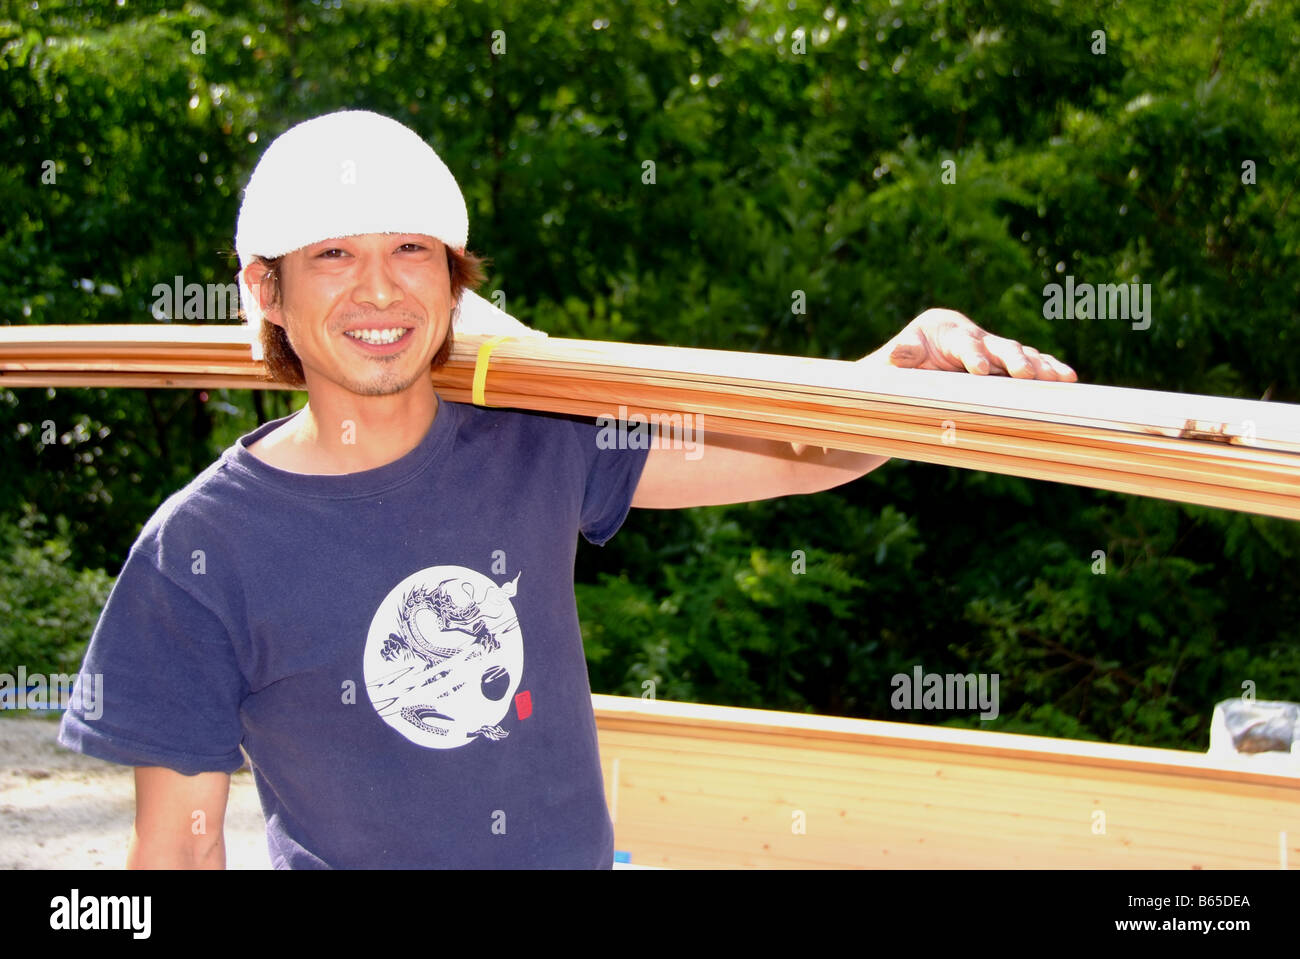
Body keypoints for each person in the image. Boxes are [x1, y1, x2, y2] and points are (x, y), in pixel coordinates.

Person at [57, 110, 1076, 869]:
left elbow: (803, 452)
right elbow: (179, 855)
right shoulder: (198, 549)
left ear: (455, 280)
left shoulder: (536, 440)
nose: (379, 289)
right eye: (333, 255)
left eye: (411, 248)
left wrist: (894, 376)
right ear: (265, 289)